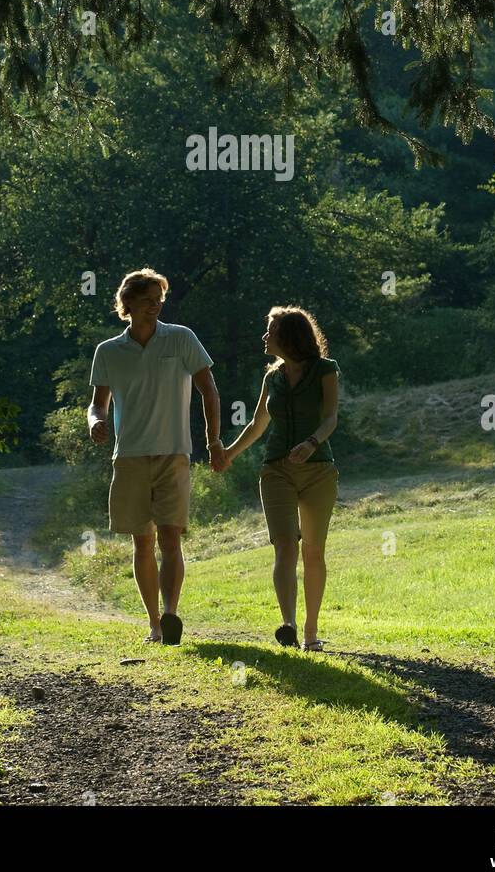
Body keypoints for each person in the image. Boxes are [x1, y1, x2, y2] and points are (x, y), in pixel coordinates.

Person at [87, 267, 225, 644]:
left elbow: (208, 389)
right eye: (148, 301)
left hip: (174, 453)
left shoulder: (181, 339)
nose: (155, 307)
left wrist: (213, 440)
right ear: (127, 303)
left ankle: (171, 615)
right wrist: (95, 422)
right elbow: (97, 404)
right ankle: (153, 623)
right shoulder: (109, 351)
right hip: (129, 455)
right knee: (141, 541)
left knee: (170, 538)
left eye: (159, 301)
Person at [221, 306, 339, 651]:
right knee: (285, 545)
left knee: (313, 552)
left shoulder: (325, 370)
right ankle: (287, 623)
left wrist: (311, 442)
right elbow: (257, 426)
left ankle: (311, 632)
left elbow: (331, 417)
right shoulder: (271, 378)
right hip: (276, 470)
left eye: (269, 331)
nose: (264, 337)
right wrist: (228, 454)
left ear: (288, 336)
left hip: (318, 468)